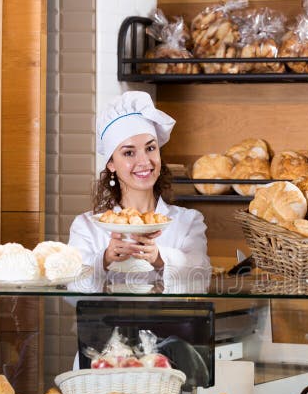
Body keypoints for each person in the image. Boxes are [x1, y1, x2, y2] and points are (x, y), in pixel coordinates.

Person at [68, 91, 210, 278]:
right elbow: (71, 290)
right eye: (129, 153)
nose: (144, 161)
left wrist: (160, 259)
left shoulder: (188, 222)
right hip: (104, 310)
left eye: (150, 148)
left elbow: (202, 279)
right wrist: (104, 259)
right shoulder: (87, 226)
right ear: (111, 163)